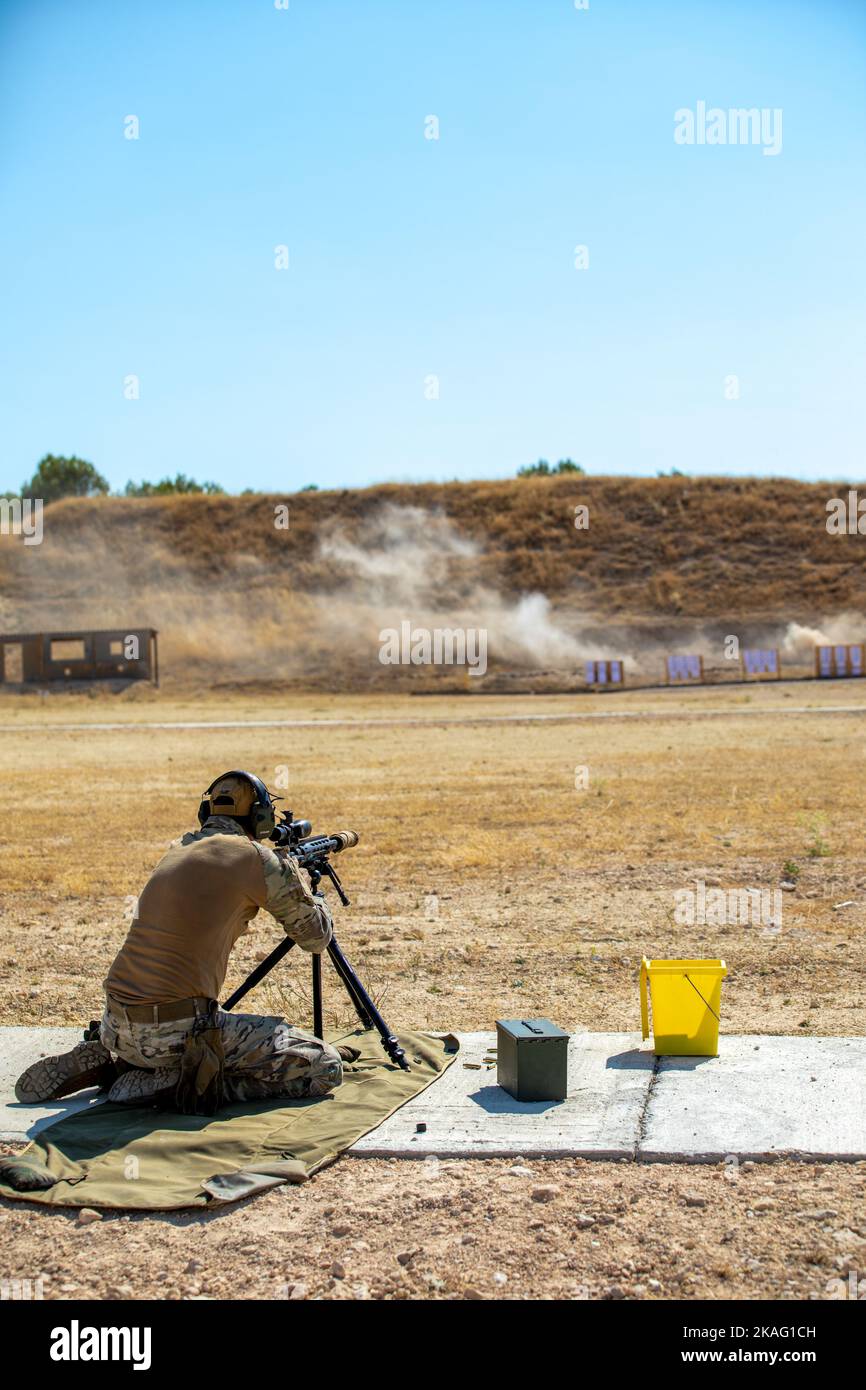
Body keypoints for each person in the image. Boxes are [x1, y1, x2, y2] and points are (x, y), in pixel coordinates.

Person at [16, 771, 353, 1111]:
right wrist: (307, 890)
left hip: (114, 1023)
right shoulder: (258, 859)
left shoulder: (179, 848)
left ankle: (113, 1060)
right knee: (325, 1067)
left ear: (206, 813)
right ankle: (185, 1080)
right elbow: (315, 938)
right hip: (177, 1033)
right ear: (261, 819)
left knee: (163, 1028)